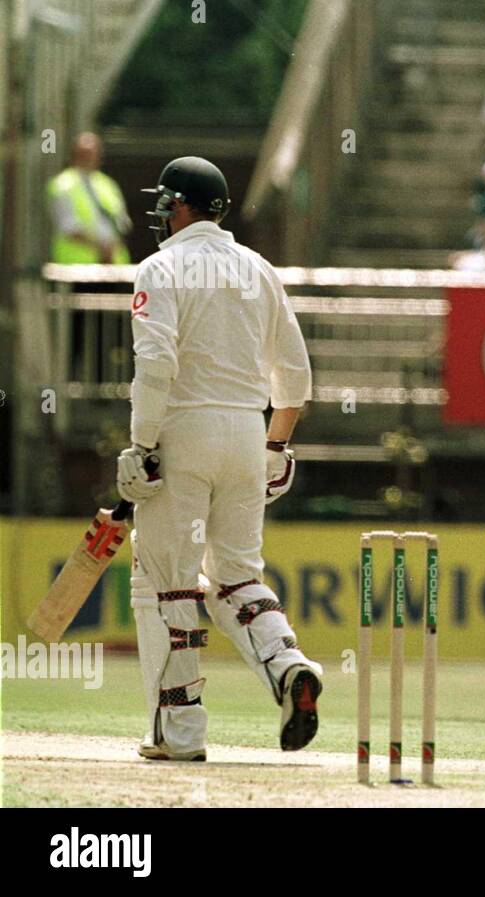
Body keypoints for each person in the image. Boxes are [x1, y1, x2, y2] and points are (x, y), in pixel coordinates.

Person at [115, 156, 323, 761]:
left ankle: (179, 730)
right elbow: (296, 375)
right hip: (246, 435)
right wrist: (276, 448)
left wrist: (142, 445)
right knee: (236, 578)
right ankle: (287, 665)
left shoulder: (160, 266)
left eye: (164, 203)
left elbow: (155, 366)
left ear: (178, 205)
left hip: (183, 429)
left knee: (167, 580)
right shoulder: (258, 269)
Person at [47, 132, 132, 264]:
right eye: (84, 153)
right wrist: (101, 247)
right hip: (77, 266)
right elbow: (68, 226)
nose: (88, 158)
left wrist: (112, 247)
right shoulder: (63, 185)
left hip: (112, 265)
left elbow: (122, 224)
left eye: (92, 153)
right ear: (73, 154)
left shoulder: (107, 184)